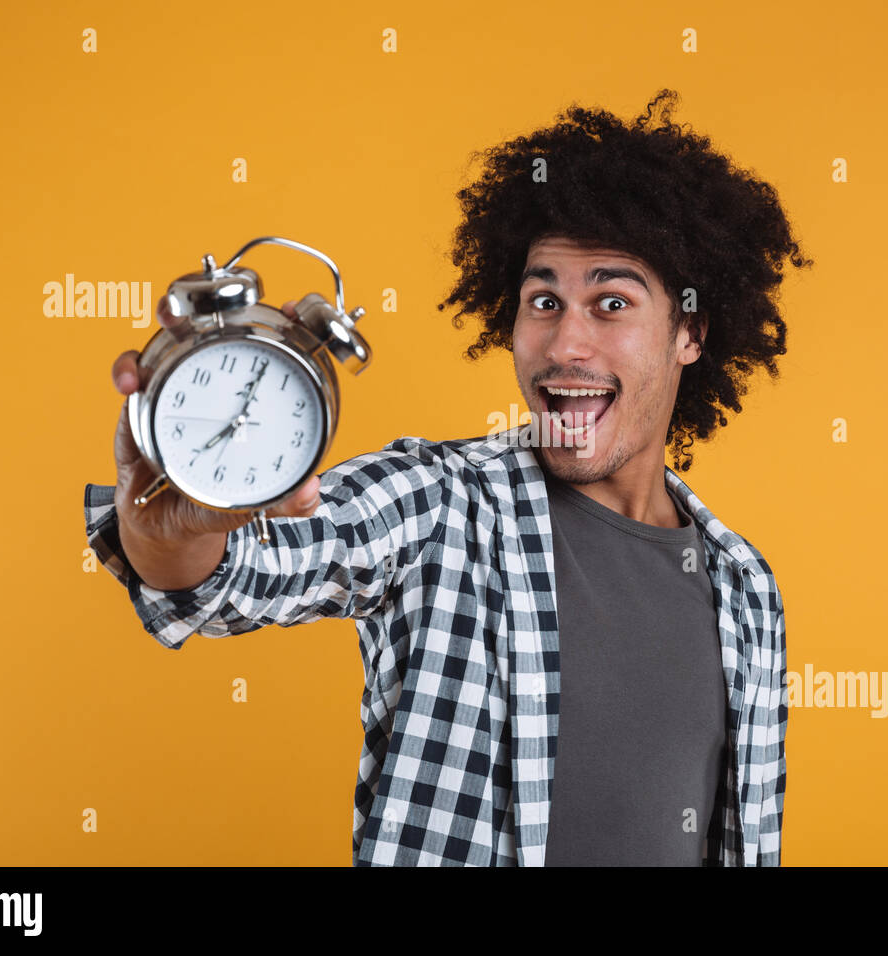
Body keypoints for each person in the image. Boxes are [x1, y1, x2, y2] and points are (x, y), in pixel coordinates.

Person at [83, 88, 811, 866]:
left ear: (690, 332)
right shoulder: (439, 503)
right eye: (542, 300)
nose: (566, 343)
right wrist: (172, 530)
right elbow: (241, 572)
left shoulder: (745, 587)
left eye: (610, 303)